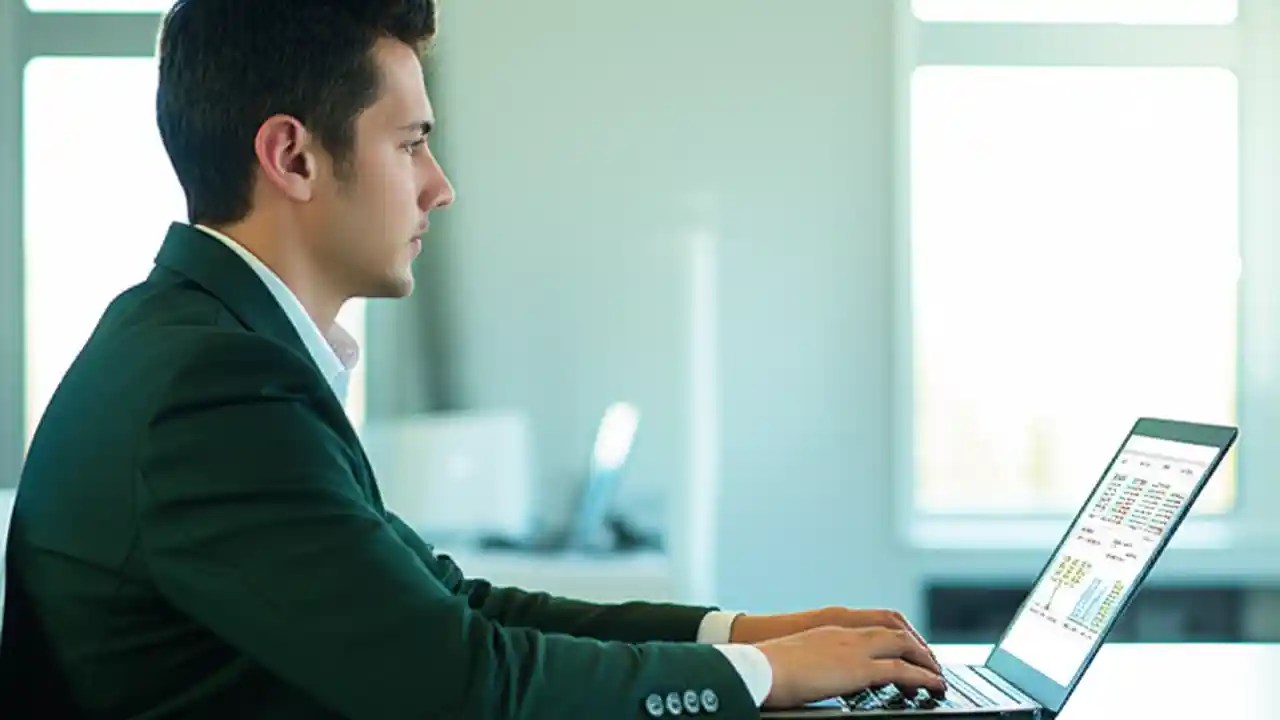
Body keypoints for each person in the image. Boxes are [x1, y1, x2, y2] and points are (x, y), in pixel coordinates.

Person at [0, 1, 945, 717]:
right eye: (411, 143)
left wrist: (741, 634)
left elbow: (452, 608)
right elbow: (464, 683)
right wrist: (768, 676)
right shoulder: (215, 389)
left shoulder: (196, 342)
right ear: (292, 157)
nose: (439, 188)